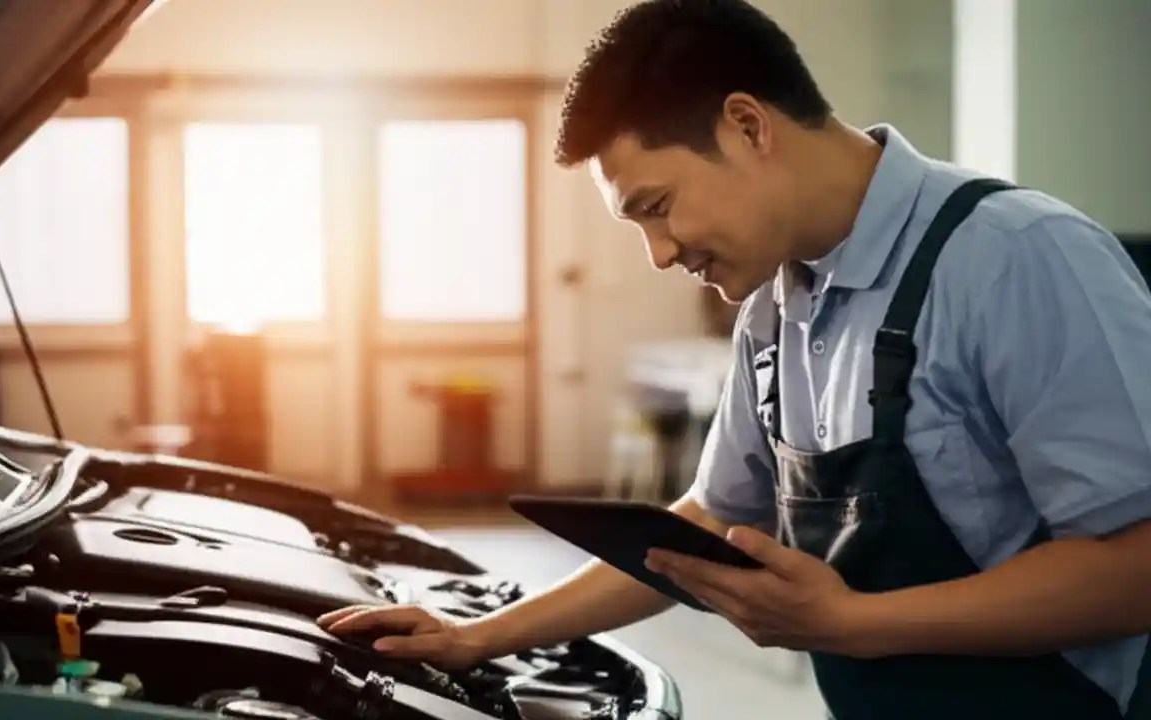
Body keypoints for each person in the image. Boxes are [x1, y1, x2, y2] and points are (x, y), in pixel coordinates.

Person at [319, 1, 1151, 716]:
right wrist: (479, 638)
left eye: (658, 207)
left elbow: (1136, 567)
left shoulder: (1018, 258)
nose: (658, 252)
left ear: (748, 125)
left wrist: (852, 625)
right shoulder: (773, 311)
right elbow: (712, 521)